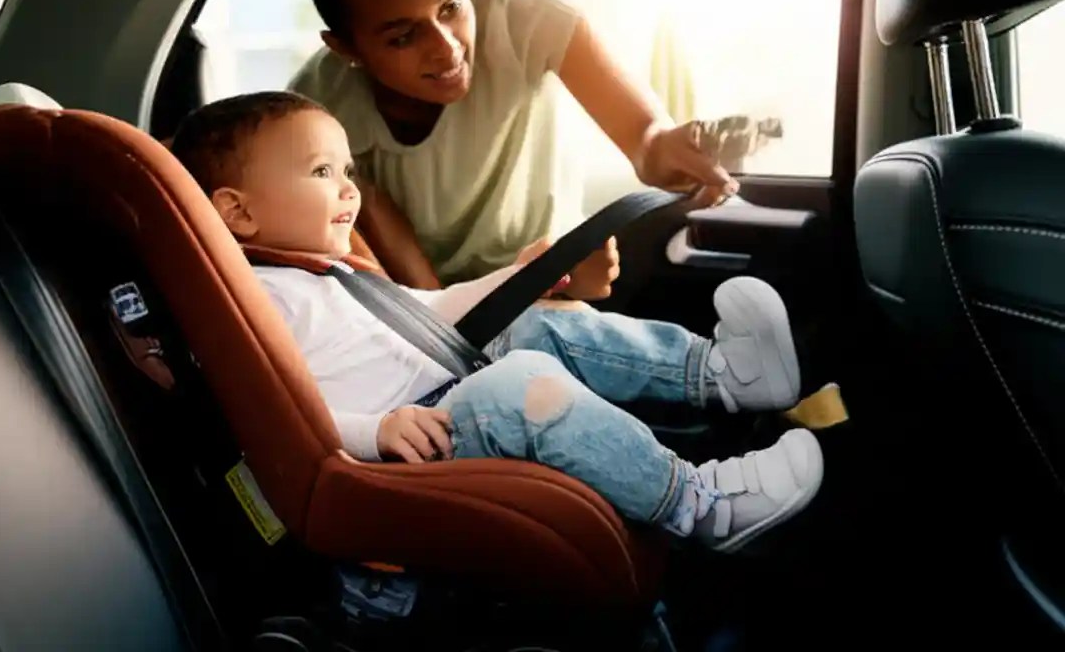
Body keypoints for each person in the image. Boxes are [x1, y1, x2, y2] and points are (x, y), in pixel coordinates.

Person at [170, 91, 823, 553]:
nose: (350, 190)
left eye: (349, 170)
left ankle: (722, 374)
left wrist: (517, 279)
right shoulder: (254, 298)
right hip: (402, 460)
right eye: (321, 172)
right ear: (239, 213)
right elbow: (276, 415)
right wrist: (377, 431)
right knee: (522, 383)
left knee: (532, 326)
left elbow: (431, 316)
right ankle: (704, 507)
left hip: (436, 404)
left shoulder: (329, 273)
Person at [287, 0, 745, 297]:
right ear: (346, 48)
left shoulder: (520, 8)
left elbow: (646, 139)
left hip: (554, 282)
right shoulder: (316, 114)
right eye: (404, 37)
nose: (447, 47)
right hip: (439, 318)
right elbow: (406, 294)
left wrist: (674, 154)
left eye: (450, 7)